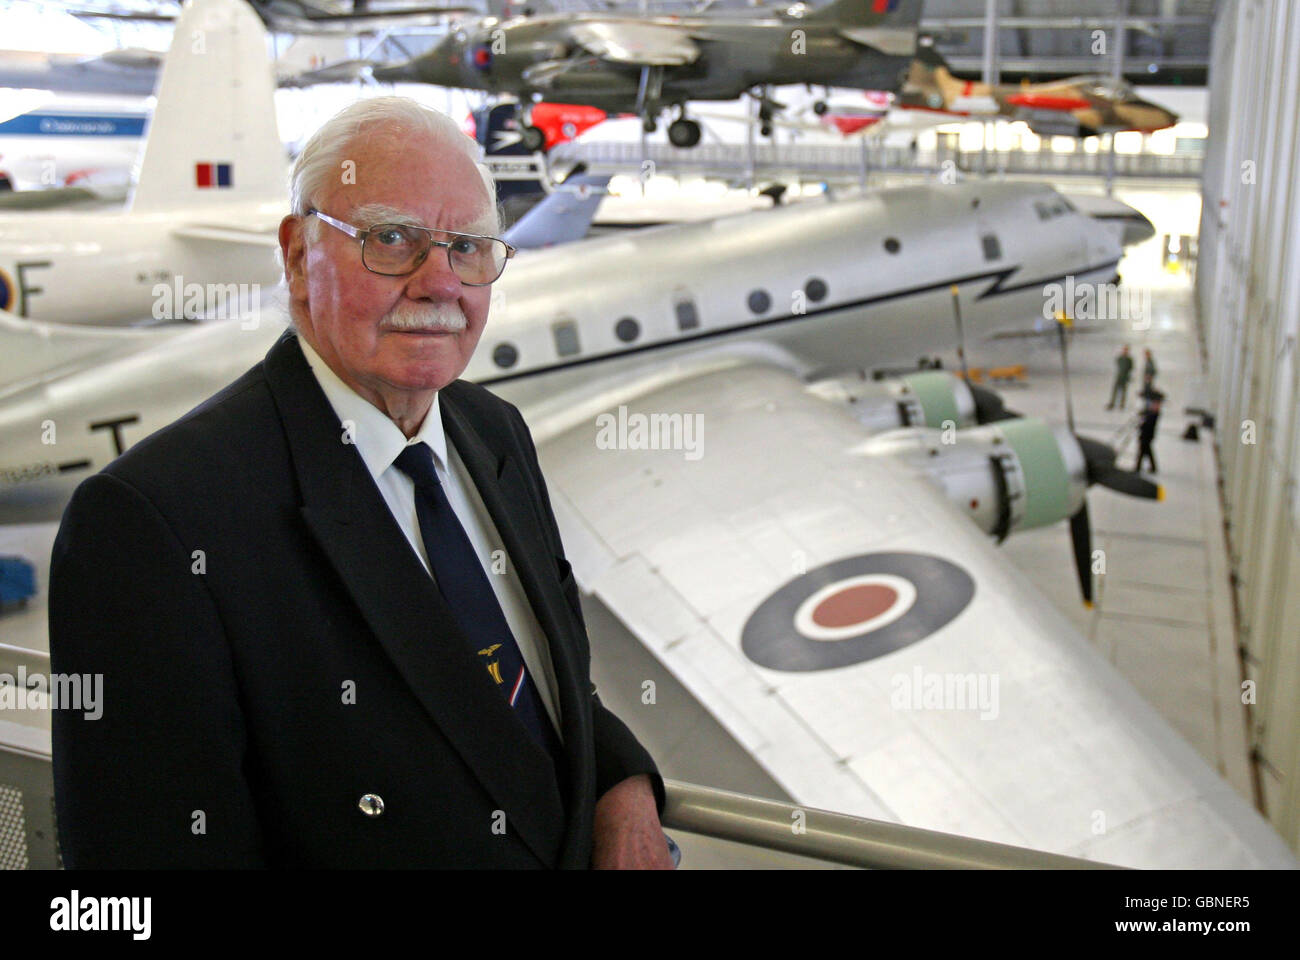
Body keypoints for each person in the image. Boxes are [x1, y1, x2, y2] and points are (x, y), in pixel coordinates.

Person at [48, 97, 672, 869]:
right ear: (298, 255)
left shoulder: (492, 432)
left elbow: (539, 688)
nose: (440, 282)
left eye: (469, 246)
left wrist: (622, 782)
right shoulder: (156, 522)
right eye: (391, 239)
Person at [1134, 392, 1162, 473]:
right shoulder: (1151, 412)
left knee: (1142, 451)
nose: (1153, 405)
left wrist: (1141, 424)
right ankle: (1152, 467)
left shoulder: (1154, 414)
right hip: (1146, 434)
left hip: (1147, 435)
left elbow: (1148, 423)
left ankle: (1138, 467)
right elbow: (1146, 413)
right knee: (1147, 451)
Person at [1106, 345, 1133, 410]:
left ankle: (1122, 404)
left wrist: (1128, 376)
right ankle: (1112, 403)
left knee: (1123, 392)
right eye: (1124, 349)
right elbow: (1117, 365)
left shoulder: (1129, 359)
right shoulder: (1120, 358)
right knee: (1115, 390)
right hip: (1119, 376)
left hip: (1125, 377)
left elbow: (1131, 368)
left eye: (1126, 350)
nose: (1125, 351)